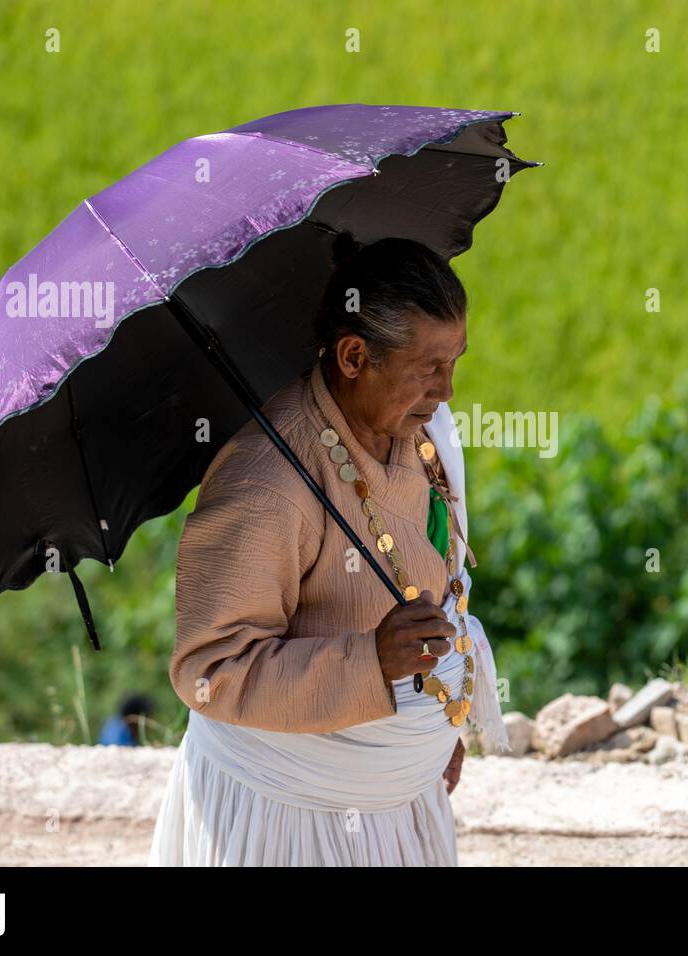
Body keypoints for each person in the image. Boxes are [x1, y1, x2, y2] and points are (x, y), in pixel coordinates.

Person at [148, 233, 509, 866]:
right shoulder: (267, 484)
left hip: (400, 806)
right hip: (289, 821)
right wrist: (370, 660)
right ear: (352, 356)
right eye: (429, 367)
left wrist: (441, 726)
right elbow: (213, 671)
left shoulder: (422, 428)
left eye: (456, 361)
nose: (448, 389)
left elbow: (447, 579)